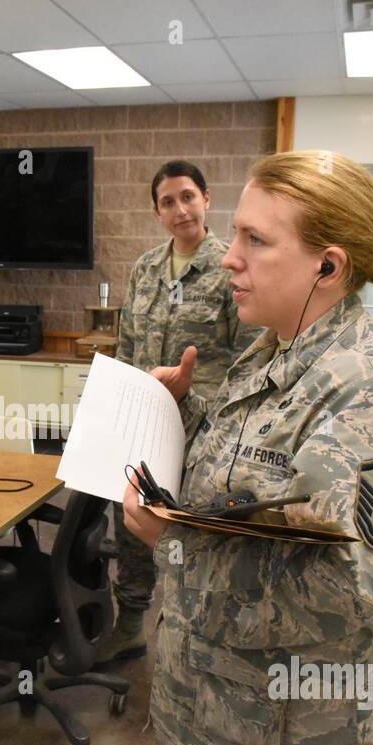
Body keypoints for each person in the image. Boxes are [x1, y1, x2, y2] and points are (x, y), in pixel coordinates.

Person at [122, 150, 373, 745]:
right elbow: (248, 479)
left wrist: (172, 546)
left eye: (255, 241)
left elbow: (345, 590)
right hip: (228, 719)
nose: (228, 259)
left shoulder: (368, 399)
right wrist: (176, 412)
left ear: (327, 267)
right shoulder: (275, 349)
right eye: (235, 234)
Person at [98, 160, 261, 667]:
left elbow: (250, 361)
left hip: (202, 433)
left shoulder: (230, 268)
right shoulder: (144, 269)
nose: (180, 209)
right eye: (168, 201)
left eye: (187, 196)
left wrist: (196, 397)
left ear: (207, 200)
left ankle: (185, 639)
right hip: (143, 426)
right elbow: (128, 347)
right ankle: (129, 625)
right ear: (157, 212)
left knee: (188, 537)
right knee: (131, 528)